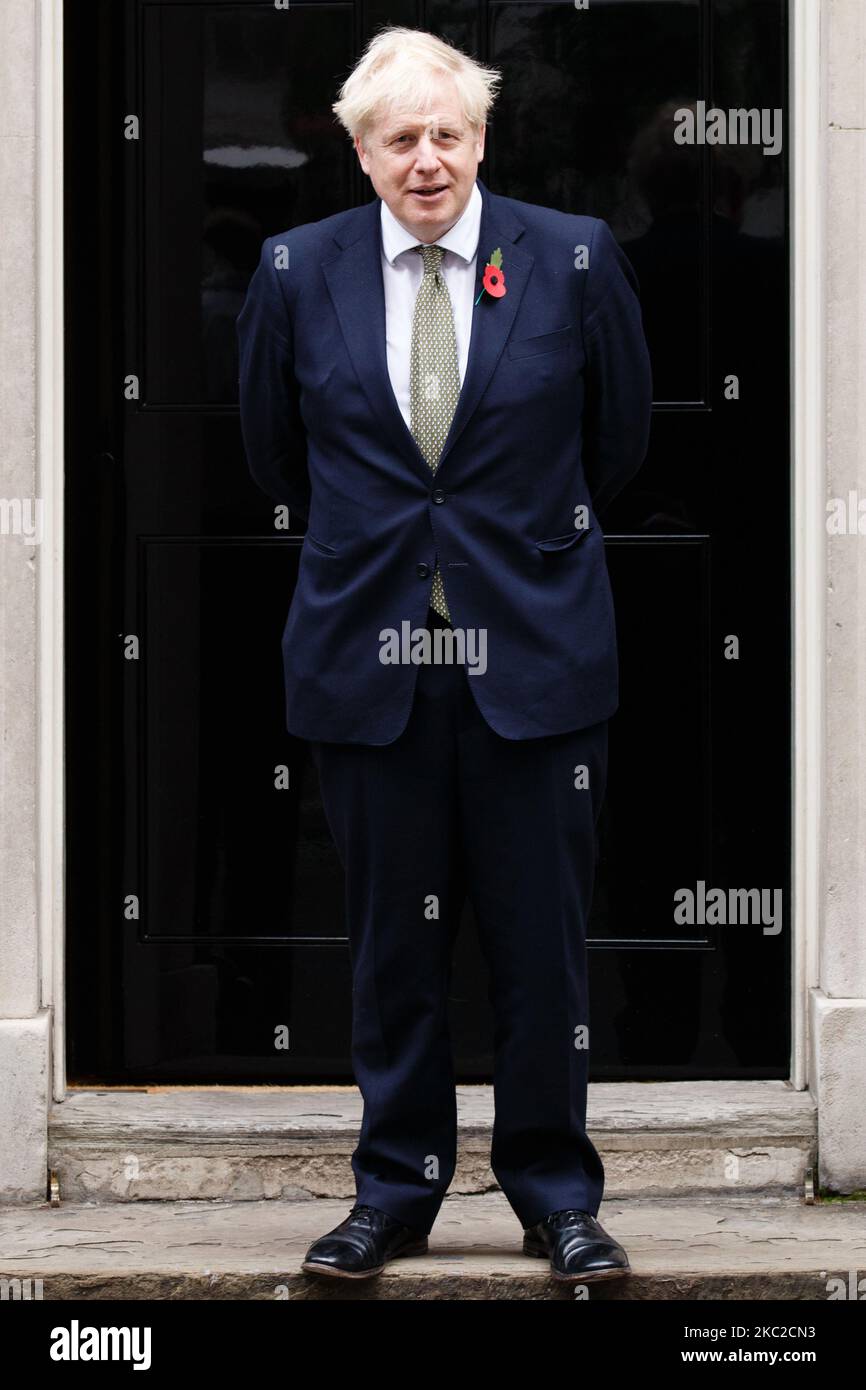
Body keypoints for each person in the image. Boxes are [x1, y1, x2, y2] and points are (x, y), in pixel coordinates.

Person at [236, 25, 652, 1284]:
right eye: (399, 138)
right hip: (372, 664)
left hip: (533, 659)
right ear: (358, 152)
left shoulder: (570, 259)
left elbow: (614, 444)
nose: (428, 160)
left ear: (480, 139)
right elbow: (273, 454)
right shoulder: (293, 269)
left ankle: (554, 1195)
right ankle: (391, 1194)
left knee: (541, 947)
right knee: (391, 953)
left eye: (448, 134)